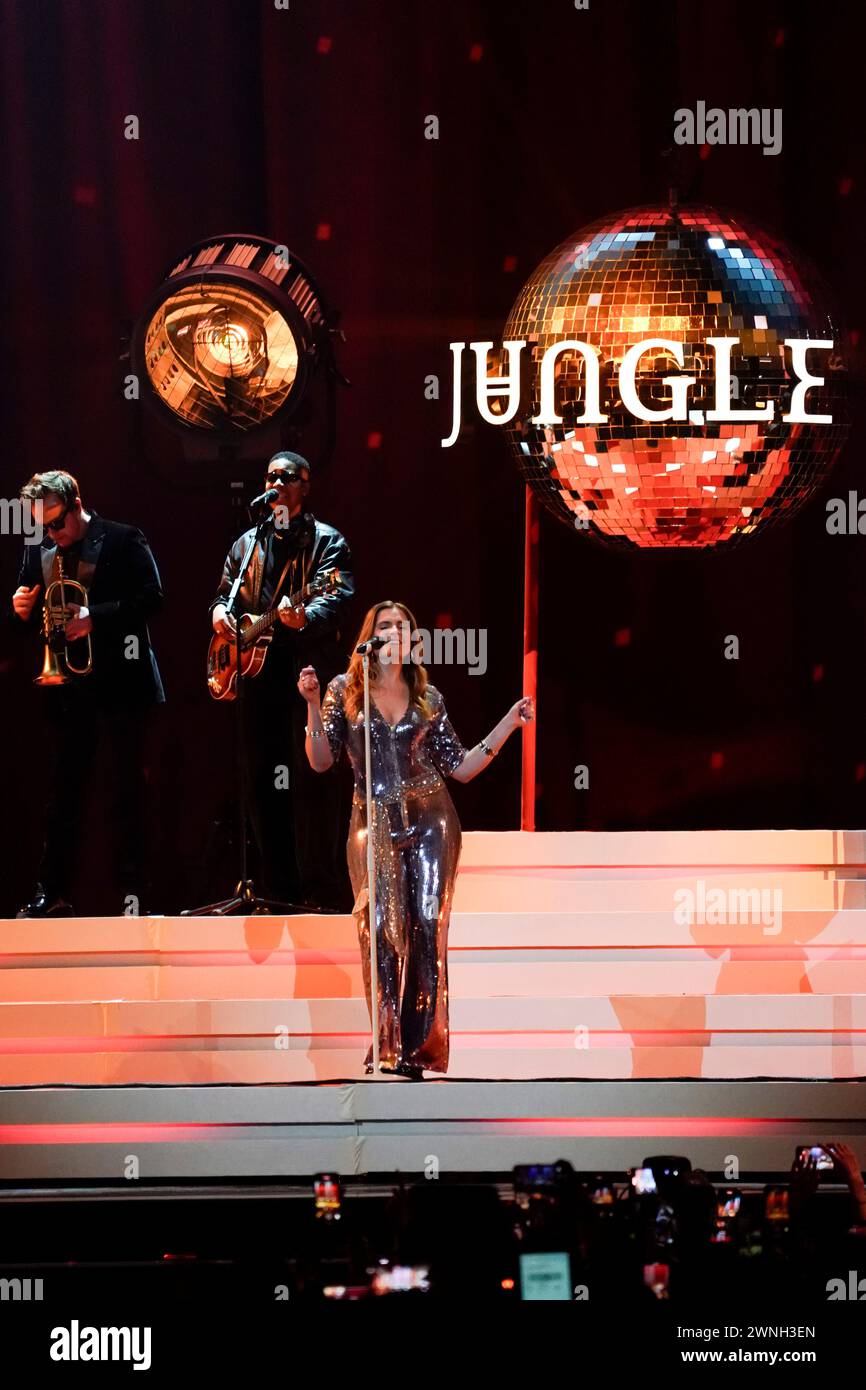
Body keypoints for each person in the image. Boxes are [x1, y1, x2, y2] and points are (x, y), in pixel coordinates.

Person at [297, 600, 534, 1078]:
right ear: (371, 637)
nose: (394, 634)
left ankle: (416, 1050)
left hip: (431, 817)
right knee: (380, 927)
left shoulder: (428, 698)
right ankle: (384, 1045)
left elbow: (462, 767)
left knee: (428, 928)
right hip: (373, 819)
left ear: (412, 641)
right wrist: (310, 703)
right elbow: (321, 761)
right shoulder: (345, 691)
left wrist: (508, 723)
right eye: (385, 627)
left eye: (402, 628)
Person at [11, 469, 164, 917]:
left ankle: (134, 897)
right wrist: (17, 611)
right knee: (63, 797)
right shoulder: (38, 552)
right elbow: (26, 624)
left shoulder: (122, 538)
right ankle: (51, 892)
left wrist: (94, 616)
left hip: (122, 687)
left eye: (58, 522)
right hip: (70, 692)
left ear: (77, 505)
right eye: (44, 525)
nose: (52, 533)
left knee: (126, 794)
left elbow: (153, 599)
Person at [211, 451, 354, 909]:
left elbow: (337, 598)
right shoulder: (247, 543)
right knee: (259, 777)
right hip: (255, 677)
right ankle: (274, 889)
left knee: (311, 778)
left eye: (287, 477)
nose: (277, 483)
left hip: (306, 671)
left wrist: (302, 618)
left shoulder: (327, 542)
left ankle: (319, 889)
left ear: (305, 487)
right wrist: (219, 614)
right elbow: (225, 592)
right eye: (271, 476)